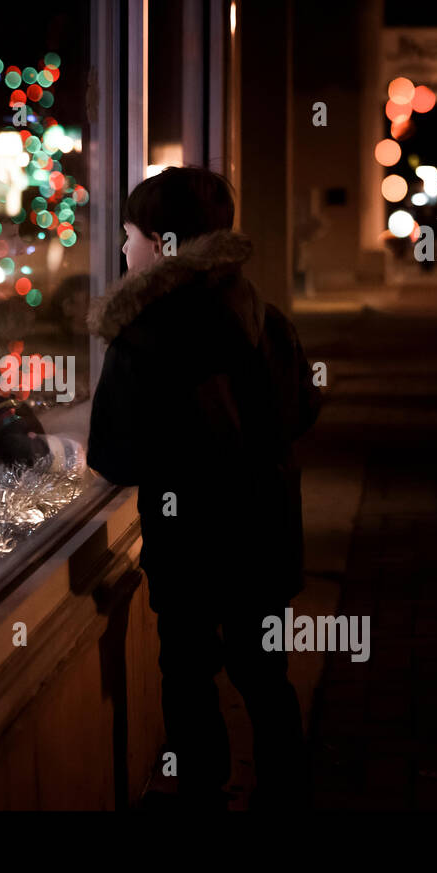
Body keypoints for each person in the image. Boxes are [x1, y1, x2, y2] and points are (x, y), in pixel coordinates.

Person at [87, 167, 321, 809]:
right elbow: (303, 408)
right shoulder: (263, 315)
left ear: (162, 244)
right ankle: (286, 790)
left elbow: (116, 453)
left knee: (188, 671)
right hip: (267, 525)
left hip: (190, 537)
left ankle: (202, 791)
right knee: (264, 671)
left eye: (129, 236)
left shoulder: (143, 334)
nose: (122, 250)